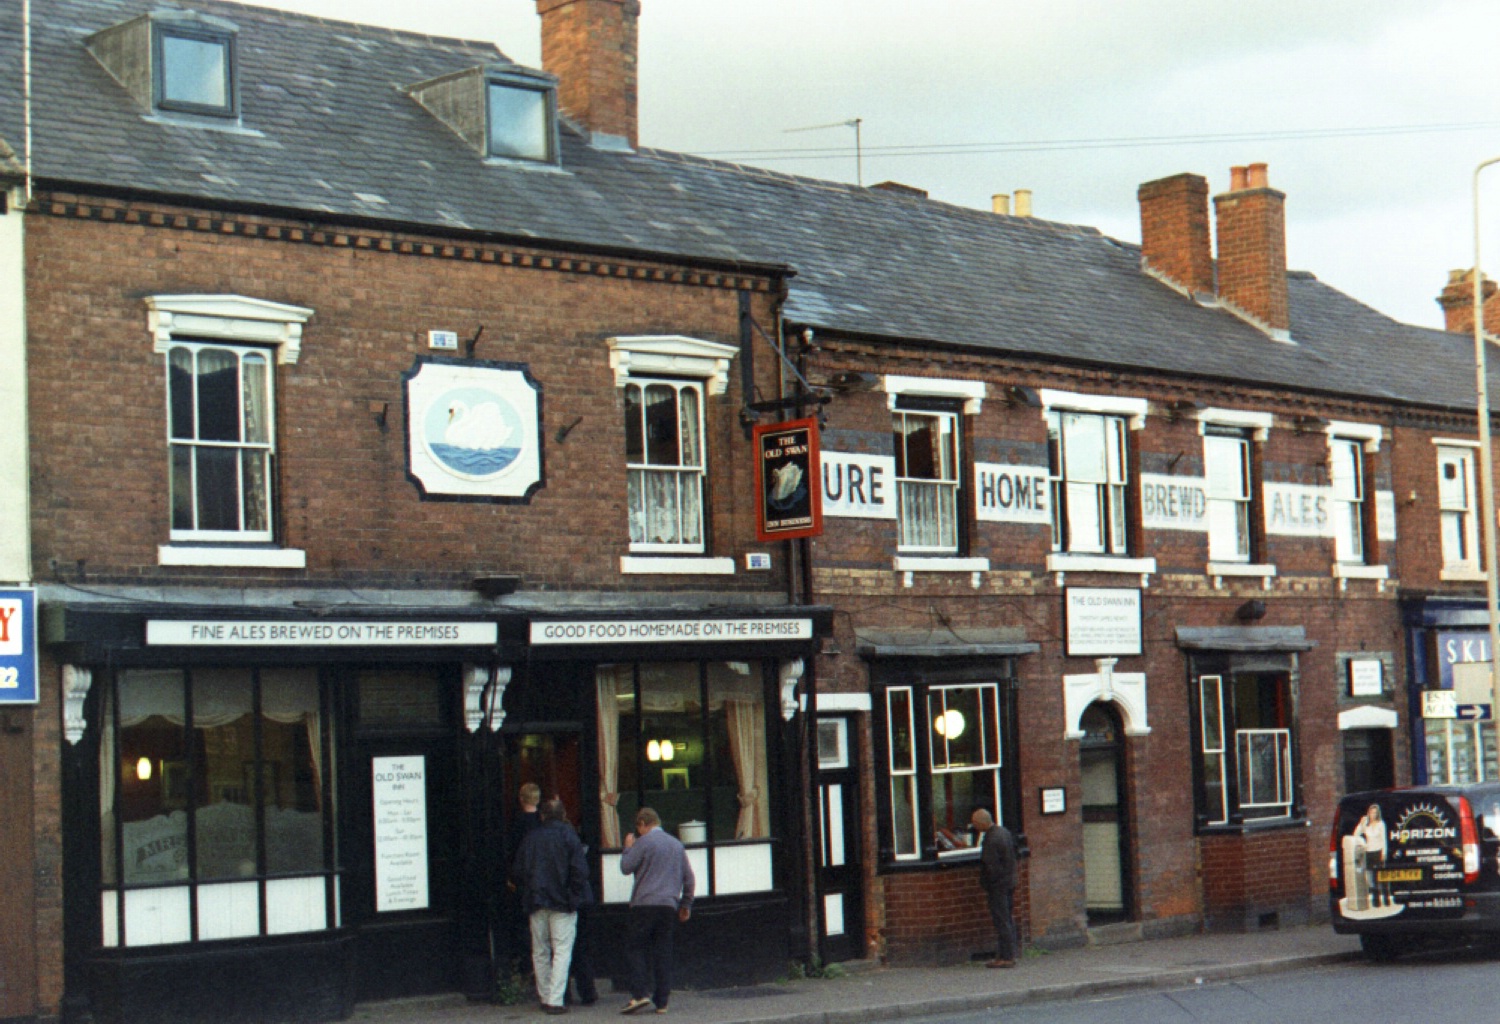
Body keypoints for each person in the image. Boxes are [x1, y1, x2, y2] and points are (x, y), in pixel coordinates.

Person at [511, 798, 591, 1016]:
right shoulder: (569, 836)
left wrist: (530, 889)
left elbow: (518, 871)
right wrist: (573, 897)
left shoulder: (531, 838)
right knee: (562, 950)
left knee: (540, 950)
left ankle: (546, 996)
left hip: (536, 901)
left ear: (542, 815)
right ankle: (556, 999)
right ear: (563, 814)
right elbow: (580, 871)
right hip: (563, 902)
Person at [618, 807, 694, 1015]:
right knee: (662, 951)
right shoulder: (676, 845)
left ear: (643, 823)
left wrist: (627, 848)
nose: (638, 831)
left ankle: (639, 994)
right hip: (668, 906)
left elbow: (626, 867)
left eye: (638, 827)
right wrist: (686, 904)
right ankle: (662, 1001)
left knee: (635, 947)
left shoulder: (643, 843)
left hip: (644, 904)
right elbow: (689, 878)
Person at [970, 808, 1018, 968]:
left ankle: (1006, 956)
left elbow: (991, 866)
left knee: (1001, 920)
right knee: (1007, 918)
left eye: (975, 823)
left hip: (998, 886)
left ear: (981, 823)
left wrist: (986, 883)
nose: (974, 826)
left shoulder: (991, 840)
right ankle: (1009, 953)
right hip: (1009, 882)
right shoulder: (1004, 832)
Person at [1355, 804, 1390, 908]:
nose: (1373, 815)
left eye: (1375, 812)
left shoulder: (1381, 824)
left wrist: (1384, 853)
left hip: (1379, 852)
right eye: (1371, 812)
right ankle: (1376, 901)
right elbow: (1356, 834)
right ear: (1368, 813)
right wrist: (1361, 824)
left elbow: (1384, 840)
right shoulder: (1366, 825)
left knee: (1382, 877)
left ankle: (1386, 899)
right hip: (1369, 852)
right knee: (1373, 878)